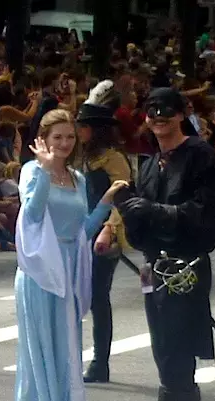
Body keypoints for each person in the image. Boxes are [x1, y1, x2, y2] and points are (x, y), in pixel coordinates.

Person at [12, 108, 128, 401]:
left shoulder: (77, 178)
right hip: (40, 273)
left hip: (68, 274)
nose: (64, 143)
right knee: (37, 361)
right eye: (56, 137)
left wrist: (107, 200)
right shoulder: (33, 171)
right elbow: (31, 216)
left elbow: (83, 228)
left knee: (65, 364)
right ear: (42, 139)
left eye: (69, 137)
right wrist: (45, 170)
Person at [118, 88, 215, 401]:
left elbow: (211, 212)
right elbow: (141, 217)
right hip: (156, 266)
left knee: (178, 352)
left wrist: (156, 211)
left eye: (166, 110)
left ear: (182, 114)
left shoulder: (201, 156)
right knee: (164, 349)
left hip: (188, 265)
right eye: (151, 110)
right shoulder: (152, 163)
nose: (158, 117)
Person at [76, 80, 132, 383]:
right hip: (79, 234)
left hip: (103, 237)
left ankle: (100, 362)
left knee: (99, 297)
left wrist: (109, 231)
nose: (78, 130)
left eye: (83, 125)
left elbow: (122, 198)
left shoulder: (113, 159)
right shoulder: (78, 156)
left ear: (94, 129)